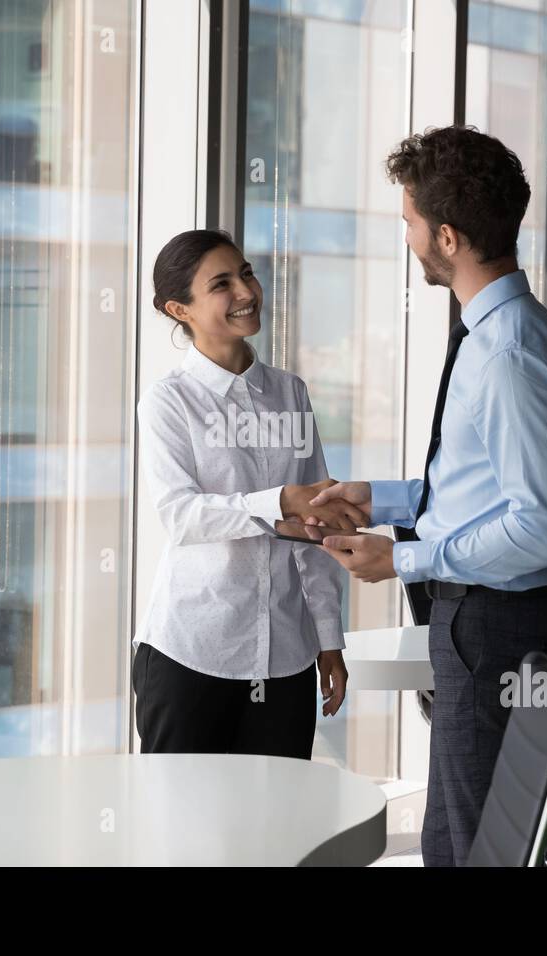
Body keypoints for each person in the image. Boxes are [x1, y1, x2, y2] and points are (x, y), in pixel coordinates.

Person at [312, 126, 547, 865]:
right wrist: (386, 500)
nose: (404, 236)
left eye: (407, 222)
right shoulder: (506, 333)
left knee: (480, 852)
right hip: (485, 626)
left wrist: (403, 558)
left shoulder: (505, 354)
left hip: (492, 629)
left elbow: (543, 531)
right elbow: (487, 490)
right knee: (454, 844)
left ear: (445, 235)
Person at [133, 229, 361, 759]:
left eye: (247, 273)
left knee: (276, 831)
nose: (246, 291)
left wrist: (329, 636)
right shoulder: (169, 402)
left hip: (286, 657)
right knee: (180, 830)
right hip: (191, 655)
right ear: (179, 309)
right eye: (222, 283)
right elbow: (181, 516)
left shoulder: (290, 393)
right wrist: (279, 500)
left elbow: (318, 525)